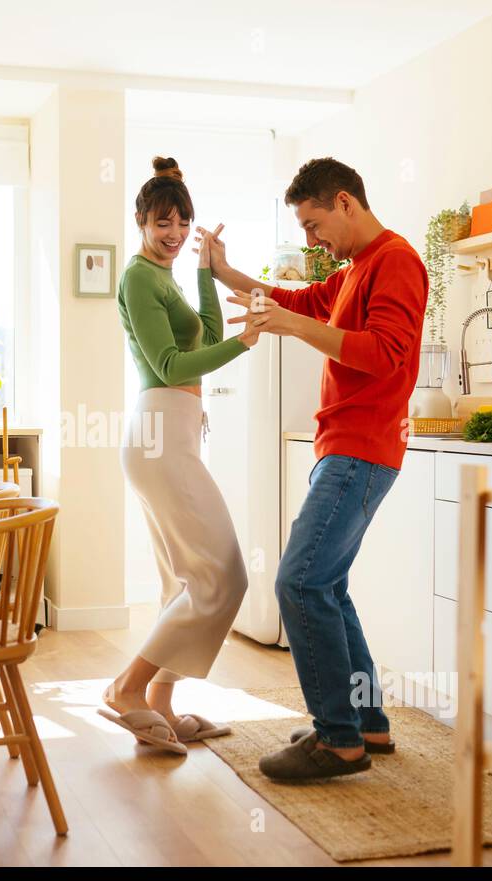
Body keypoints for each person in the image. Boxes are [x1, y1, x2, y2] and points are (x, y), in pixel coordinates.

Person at [203, 157, 428, 779]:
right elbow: (293, 298)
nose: (310, 239)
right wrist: (227, 271)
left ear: (345, 202)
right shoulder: (356, 269)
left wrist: (295, 325)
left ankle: (338, 740)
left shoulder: (397, 261)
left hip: (362, 446)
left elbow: (384, 355)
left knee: (298, 584)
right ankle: (367, 724)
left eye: (313, 223)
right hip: (346, 446)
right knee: (326, 585)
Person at [97, 156, 260, 755]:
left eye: (183, 222)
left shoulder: (167, 276)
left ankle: (160, 700)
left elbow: (206, 339)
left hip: (175, 434)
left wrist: (207, 273)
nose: (174, 232)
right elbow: (169, 365)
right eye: (163, 221)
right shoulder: (139, 277)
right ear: (140, 220)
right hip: (160, 434)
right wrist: (245, 343)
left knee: (183, 582)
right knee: (223, 574)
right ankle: (126, 688)